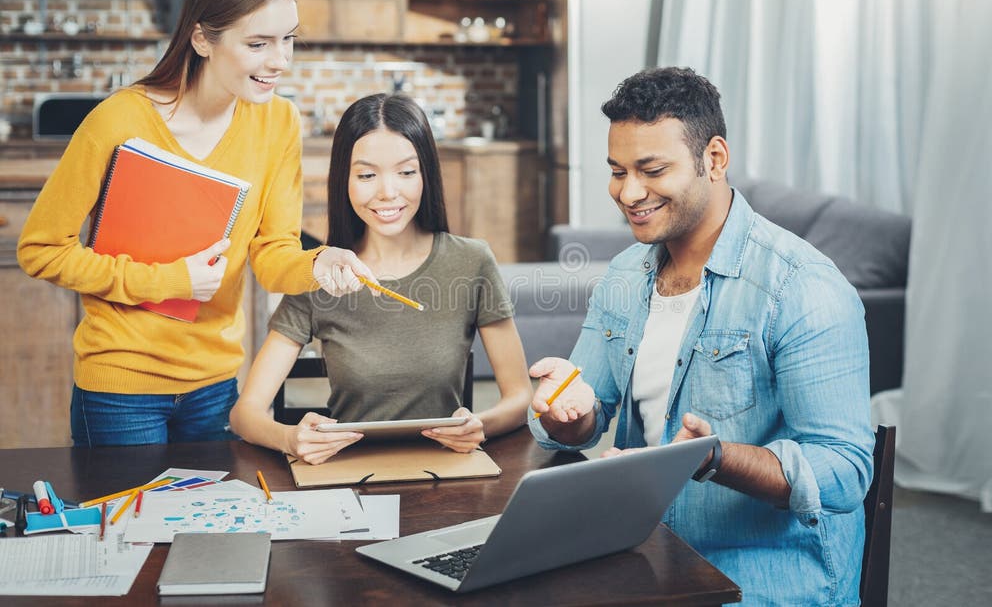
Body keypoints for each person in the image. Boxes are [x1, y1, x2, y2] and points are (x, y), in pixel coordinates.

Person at [527, 67, 874, 605]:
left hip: (762, 578)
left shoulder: (802, 287)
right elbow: (584, 415)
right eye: (617, 171)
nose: (629, 192)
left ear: (713, 159)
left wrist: (715, 459)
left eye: (652, 170)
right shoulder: (625, 275)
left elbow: (845, 472)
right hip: (644, 554)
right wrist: (564, 414)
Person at [16, 0, 375, 447]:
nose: (280, 61)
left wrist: (320, 263)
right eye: (258, 43)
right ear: (203, 38)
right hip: (121, 390)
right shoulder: (118, 121)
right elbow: (40, 250)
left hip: (216, 386)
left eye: (288, 39)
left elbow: (273, 255)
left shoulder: (278, 122)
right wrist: (170, 280)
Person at [230, 93, 532, 464]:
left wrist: (480, 425)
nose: (388, 193)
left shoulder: (471, 262)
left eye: (406, 172)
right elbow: (245, 414)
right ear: (344, 180)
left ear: (426, 174)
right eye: (367, 175)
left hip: (446, 471)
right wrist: (290, 438)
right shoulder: (323, 273)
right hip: (348, 473)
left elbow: (520, 397)